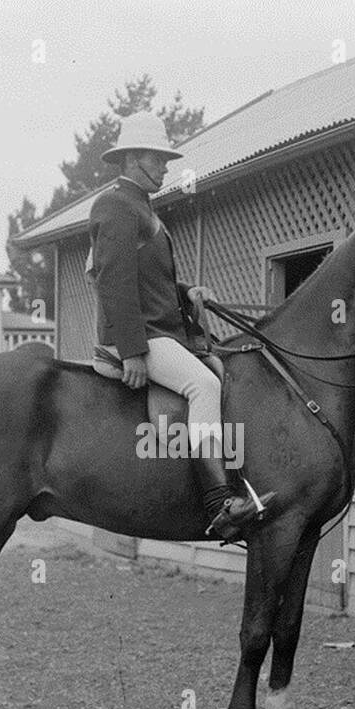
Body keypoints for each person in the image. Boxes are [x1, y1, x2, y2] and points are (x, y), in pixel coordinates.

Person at [88, 111, 274, 542]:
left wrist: (187, 291)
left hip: (158, 329)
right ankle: (219, 502)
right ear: (133, 157)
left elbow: (149, 279)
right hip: (140, 336)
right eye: (159, 159)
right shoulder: (116, 205)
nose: (166, 167)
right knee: (202, 387)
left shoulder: (137, 205)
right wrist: (132, 349)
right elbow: (112, 279)